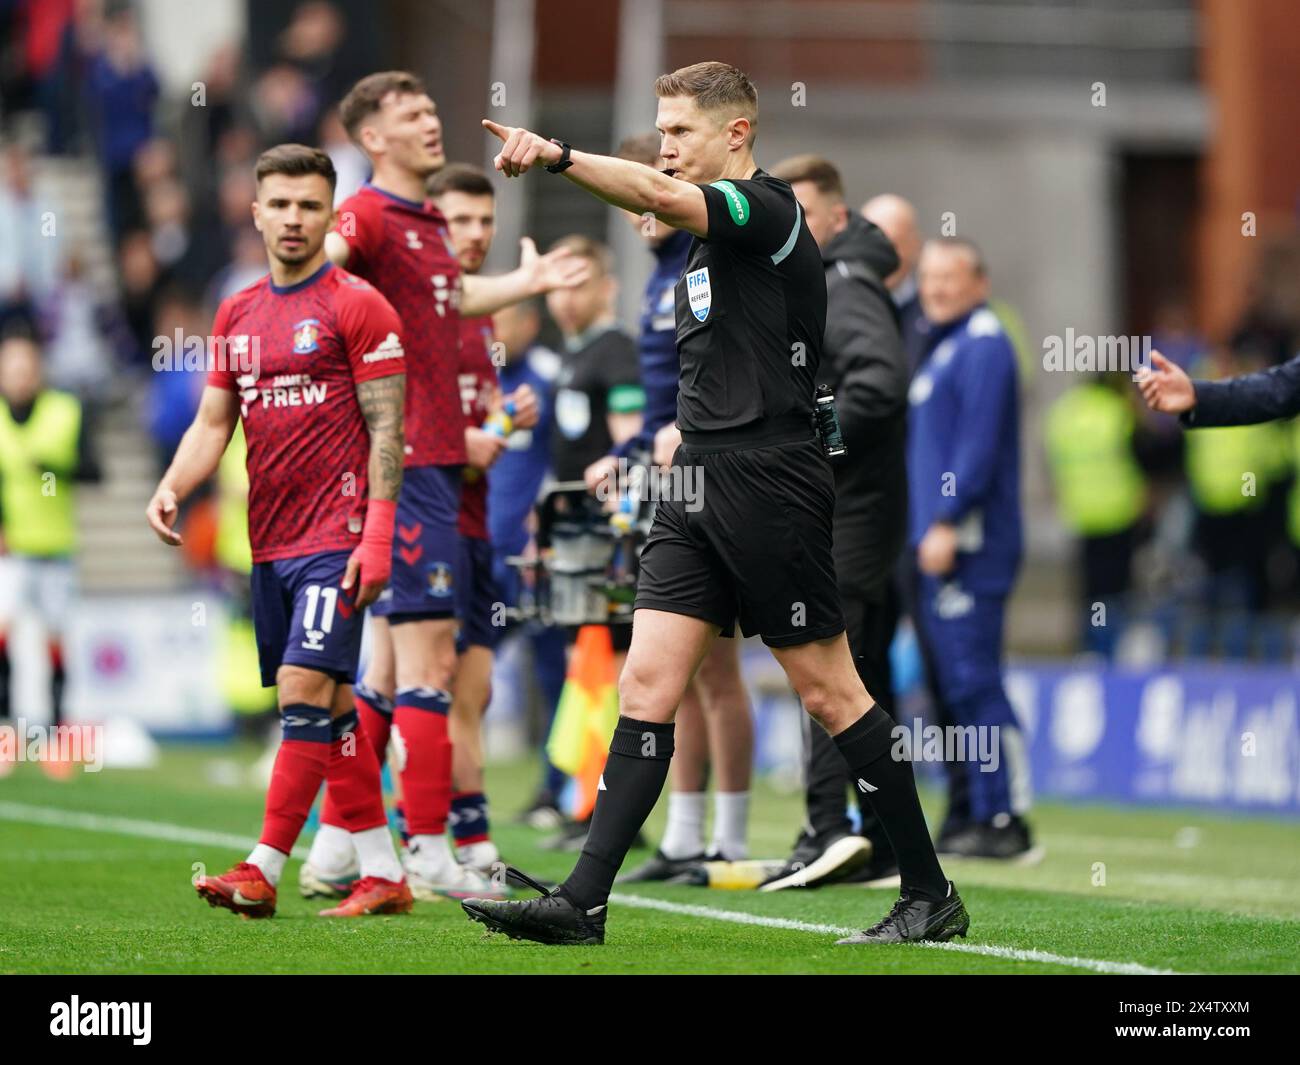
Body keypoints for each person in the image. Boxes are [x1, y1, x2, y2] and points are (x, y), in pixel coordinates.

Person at [464, 60, 967, 946]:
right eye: (659, 131)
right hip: (695, 480)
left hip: (770, 479)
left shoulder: (767, 214)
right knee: (647, 680)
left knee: (828, 691)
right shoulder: (700, 241)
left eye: (680, 130)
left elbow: (656, 191)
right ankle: (583, 901)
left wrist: (555, 156)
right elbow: (658, 199)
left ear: (736, 133)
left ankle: (928, 892)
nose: (665, 147)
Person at [308, 71, 586, 901]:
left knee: (392, 670)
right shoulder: (362, 213)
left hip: (424, 466)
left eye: (433, 108)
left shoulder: (423, 220)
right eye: (412, 115)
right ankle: (425, 843)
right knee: (423, 665)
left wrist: (526, 285)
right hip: (409, 463)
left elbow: (454, 296)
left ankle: (341, 842)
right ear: (373, 137)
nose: (434, 122)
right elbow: (320, 274)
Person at [146, 144, 412, 919]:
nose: (294, 218)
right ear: (256, 212)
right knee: (329, 712)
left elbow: (389, 430)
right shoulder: (236, 311)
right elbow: (212, 420)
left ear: (331, 214)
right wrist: (172, 484)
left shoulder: (359, 305)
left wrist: (375, 537)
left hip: (341, 532)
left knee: (301, 689)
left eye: (310, 205)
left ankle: (261, 865)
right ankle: (384, 871)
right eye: (281, 204)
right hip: (271, 541)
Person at [593, 133, 756, 881]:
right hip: (664, 482)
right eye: (638, 188)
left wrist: (688, 430)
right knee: (673, 669)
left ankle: (732, 835)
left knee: (720, 671)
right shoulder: (660, 279)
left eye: (659, 181)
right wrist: (628, 457)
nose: (646, 204)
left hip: (714, 476)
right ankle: (684, 836)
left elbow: (731, 364)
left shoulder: (708, 254)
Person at [760, 154, 909, 890]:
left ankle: (826, 828)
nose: (798, 232)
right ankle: (880, 842)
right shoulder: (838, 279)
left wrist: (814, 444)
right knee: (862, 679)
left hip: (851, 517)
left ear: (838, 219)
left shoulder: (842, 283)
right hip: (860, 517)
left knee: (825, 670)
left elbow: (879, 384)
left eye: (808, 218)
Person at [908, 237, 1036, 861]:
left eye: (948, 278)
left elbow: (977, 449)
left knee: (977, 679)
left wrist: (946, 521)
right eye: (928, 278)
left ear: (978, 282)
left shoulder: (984, 343)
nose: (935, 289)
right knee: (957, 686)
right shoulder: (945, 346)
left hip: (971, 543)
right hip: (942, 543)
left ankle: (1010, 817)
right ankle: (979, 815)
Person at [432, 162, 540, 875]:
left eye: (484, 221)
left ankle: (469, 841)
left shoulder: (477, 324)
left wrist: (502, 420)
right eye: (458, 220)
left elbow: (471, 428)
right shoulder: (408, 306)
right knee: (407, 681)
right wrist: (461, 445)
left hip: (471, 525)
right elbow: (381, 421)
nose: (474, 234)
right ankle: (376, 839)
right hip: (420, 522)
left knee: (472, 688)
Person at [485, 299, 570, 826]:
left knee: (553, 673)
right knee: (457, 664)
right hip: (482, 555)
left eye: (502, 320)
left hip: (534, 559)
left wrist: (550, 526)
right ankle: (439, 788)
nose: (492, 330)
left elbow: (569, 457)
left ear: (529, 325)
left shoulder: (550, 378)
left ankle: (556, 790)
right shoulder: (475, 378)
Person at [0, 333, 100, 778]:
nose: (19, 378)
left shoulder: (65, 411)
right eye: (11, 369)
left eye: (25, 369)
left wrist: (52, 469)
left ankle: (58, 736)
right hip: (12, 551)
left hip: (57, 549)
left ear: (38, 371)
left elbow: (94, 470)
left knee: (55, 643)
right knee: (3, 639)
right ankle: (6, 732)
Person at [1044, 374, 1146, 657]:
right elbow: (1143, 453)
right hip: (1118, 510)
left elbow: (1051, 461)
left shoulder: (1065, 411)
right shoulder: (1117, 411)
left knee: (1090, 586)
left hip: (1081, 511)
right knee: (1116, 585)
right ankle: (1112, 644)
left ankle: (1091, 644)